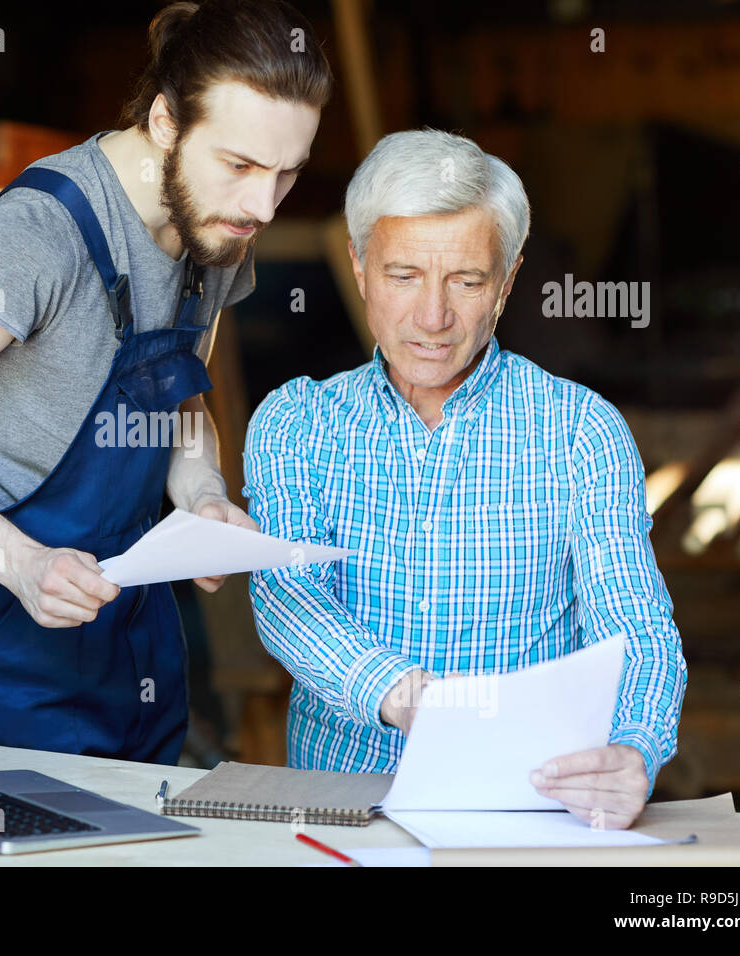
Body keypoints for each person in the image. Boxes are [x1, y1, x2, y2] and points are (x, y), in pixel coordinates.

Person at [0, 0, 331, 765]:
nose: (262, 206)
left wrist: (202, 496)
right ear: (166, 123)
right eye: (239, 165)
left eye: (287, 174)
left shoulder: (220, 230)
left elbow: (182, 394)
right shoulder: (40, 238)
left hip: (125, 629)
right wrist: (20, 562)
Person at [243, 129, 687, 828]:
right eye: (403, 276)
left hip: (528, 811)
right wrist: (394, 691)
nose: (432, 318)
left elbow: (634, 625)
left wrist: (635, 749)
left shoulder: (580, 431)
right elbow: (285, 593)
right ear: (359, 267)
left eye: (466, 281)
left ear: (506, 284)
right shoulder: (297, 422)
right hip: (342, 809)